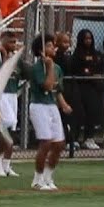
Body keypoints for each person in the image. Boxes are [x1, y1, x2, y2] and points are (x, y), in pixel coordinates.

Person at [29, 33, 73, 191]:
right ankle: (38, 179)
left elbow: (57, 90)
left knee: (59, 143)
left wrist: (64, 105)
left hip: (51, 105)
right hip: (39, 105)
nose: (53, 47)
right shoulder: (37, 68)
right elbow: (47, 86)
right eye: (48, 45)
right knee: (46, 142)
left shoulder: (58, 68)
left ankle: (48, 176)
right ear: (41, 50)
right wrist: (48, 67)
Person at [0, 33, 23, 177]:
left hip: (12, 93)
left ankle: (7, 165)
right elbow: (0, 72)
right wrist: (5, 56)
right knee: (6, 124)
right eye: (10, 42)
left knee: (12, 129)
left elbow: (21, 72)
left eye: (15, 42)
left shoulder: (16, 58)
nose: (13, 45)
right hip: (0, 94)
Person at [68, 28, 104, 150]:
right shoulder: (77, 55)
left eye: (90, 38)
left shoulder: (96, 54)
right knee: (79, 114)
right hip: (79, 87)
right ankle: (75, 138)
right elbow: (77, 69)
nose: (88, 41)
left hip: (93, 88)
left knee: (92, 112)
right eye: (85, 39)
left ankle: (89, 138)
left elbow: (98, 69)